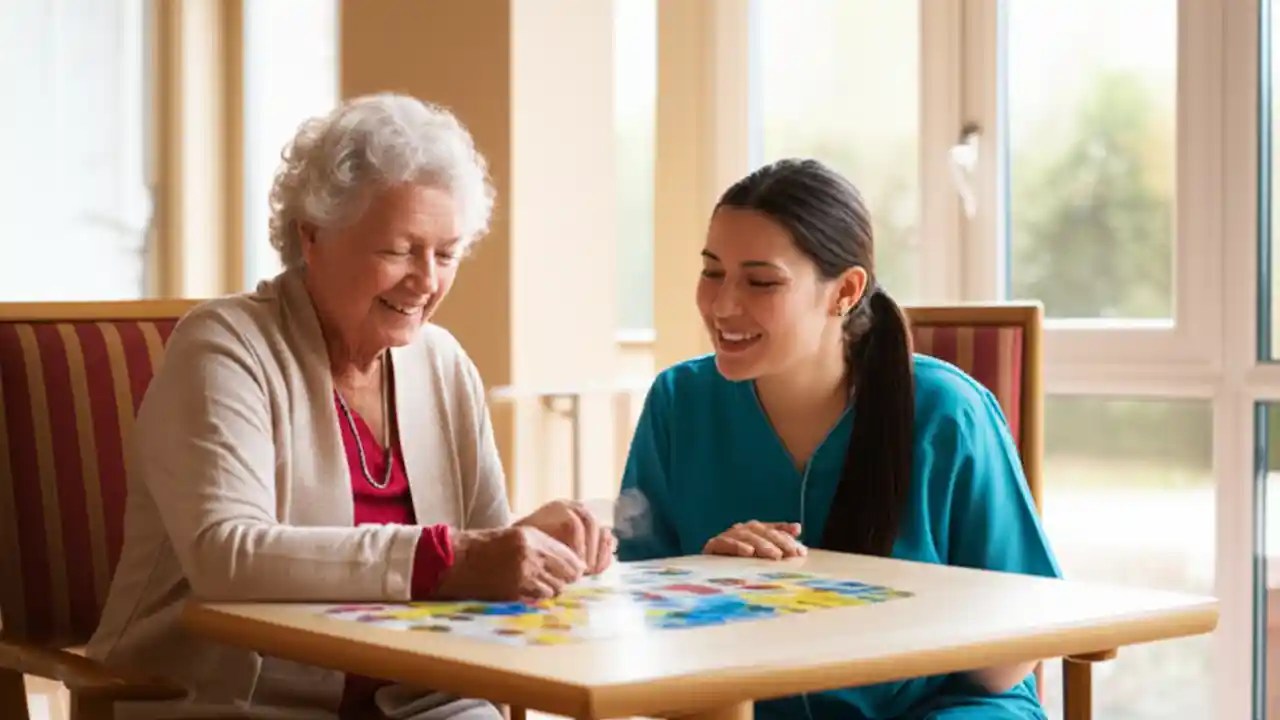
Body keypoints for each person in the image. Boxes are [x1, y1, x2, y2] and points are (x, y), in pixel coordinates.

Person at [87, 93, 614, 720]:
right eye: (399, 250)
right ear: (312, 236)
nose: (426, 280)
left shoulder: (443, 363)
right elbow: (228, 556)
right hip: (240, 702)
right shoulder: (224, 347)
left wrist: (531, 544)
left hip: (424, 698)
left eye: (446, 254)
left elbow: (478, 557)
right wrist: (452, 559)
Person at [614, 158, 1061, 720]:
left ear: (845, 291)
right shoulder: (678, 402)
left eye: (761, 281)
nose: (722, 305)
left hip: (940, 708)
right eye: (712, 272)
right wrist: (709, 584)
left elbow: (1008, 664)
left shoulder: (949, 412)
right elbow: (634, 615)